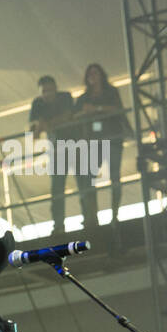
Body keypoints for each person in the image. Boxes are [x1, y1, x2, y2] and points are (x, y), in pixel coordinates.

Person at [72, 63, 128, 230]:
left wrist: (96, 109)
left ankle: (114, 215)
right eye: (90, 74)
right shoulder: (83, 98)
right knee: (88, 179)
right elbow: (75, 115)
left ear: (101, 75)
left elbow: (117, 109)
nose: (93, 77)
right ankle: (91, 216)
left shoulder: (111, 92)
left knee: (115, 178)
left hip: (113, 139)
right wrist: (86, 112)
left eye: (95, 73)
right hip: (92, 142)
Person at [28, 75, 77, 233]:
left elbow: (68, 116)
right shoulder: (37, 103)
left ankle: (90, 220)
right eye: (44, 91)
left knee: (84, 183)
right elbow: (34, 125)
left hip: (76, 144)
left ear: (56, 88)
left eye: (49, 90)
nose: (47, 94)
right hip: (56, 149)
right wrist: (41, 125)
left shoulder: (65, 97)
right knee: (57, 188)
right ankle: (58, 225)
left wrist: (46, 124)